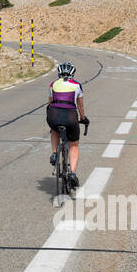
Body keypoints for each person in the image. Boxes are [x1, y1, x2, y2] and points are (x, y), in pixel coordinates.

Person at [47, 61, 88, 190]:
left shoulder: (52, 84)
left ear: (59, 73)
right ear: (72, 74)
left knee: (54, 130)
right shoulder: (77, 86)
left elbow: (50, 102)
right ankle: (72, 174)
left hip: (53, 115)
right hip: (70, 117)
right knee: (74, 144)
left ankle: (54, 152)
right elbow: (80, 105)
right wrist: (83, 118)